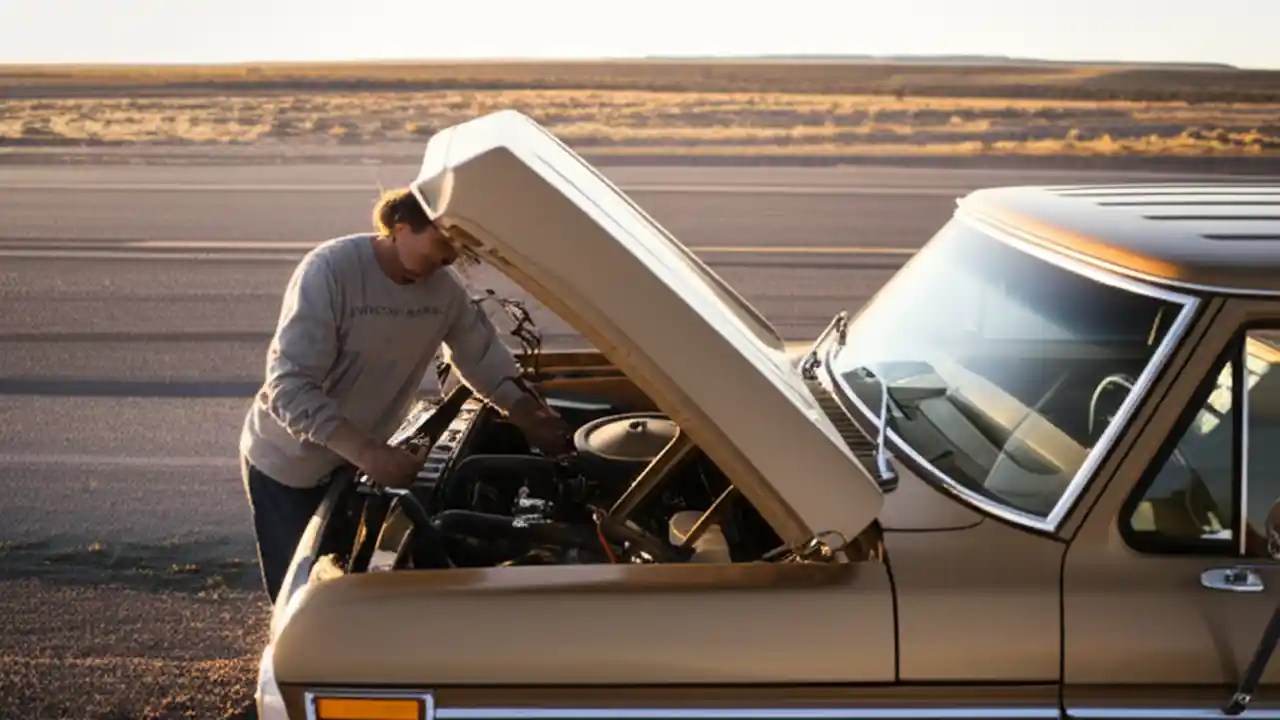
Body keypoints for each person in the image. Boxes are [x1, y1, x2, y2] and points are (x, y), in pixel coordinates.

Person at [238, 187, 571, 603]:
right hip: (290, 466)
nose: (446, 258)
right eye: (440, 243)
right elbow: (288, 387)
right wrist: (370, 454)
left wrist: (526, 413)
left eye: (454, 252)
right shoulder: (331, 271)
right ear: (399, 228)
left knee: (349, 587)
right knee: (306, 602)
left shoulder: (445, 293)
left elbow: (483, 360)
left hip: (356, 464)